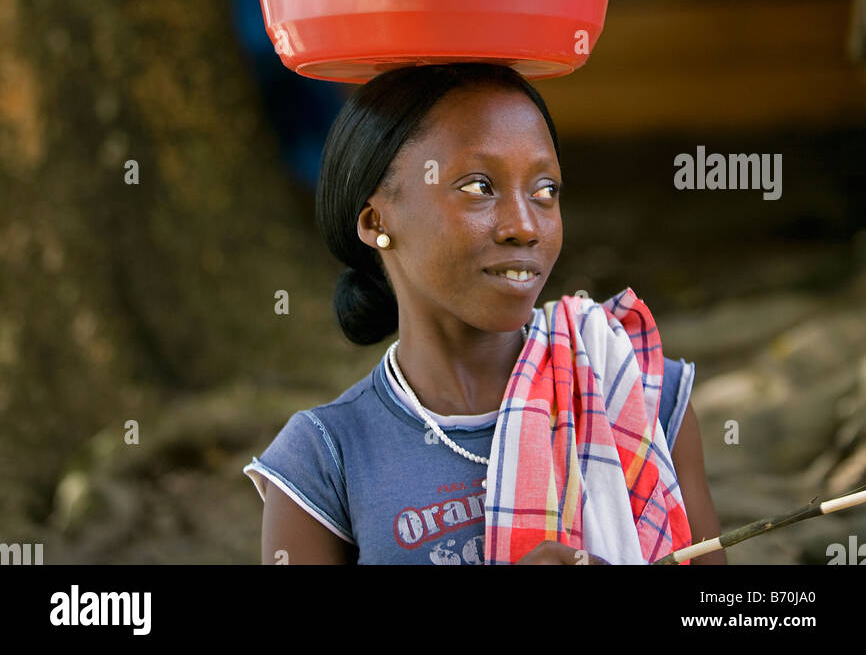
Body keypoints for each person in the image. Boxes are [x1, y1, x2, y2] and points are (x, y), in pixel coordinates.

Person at [243, 63, 724, 565]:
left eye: (545, 191)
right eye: (478, 187)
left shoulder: (637, 393)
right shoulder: (326, 458)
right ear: (375, 219)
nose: (524, 225)